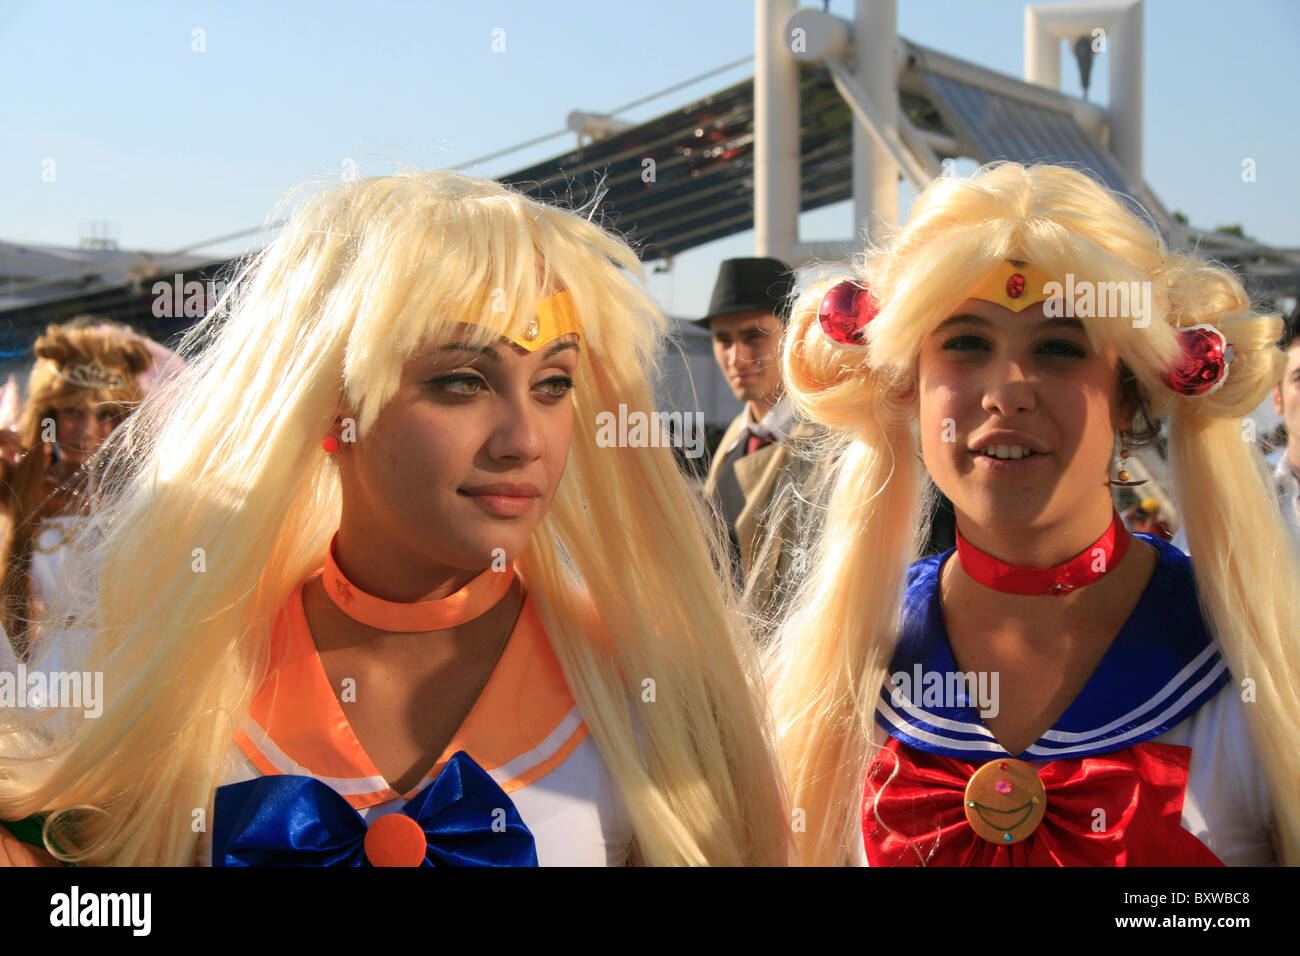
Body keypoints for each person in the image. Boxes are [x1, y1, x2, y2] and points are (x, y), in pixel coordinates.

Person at [0, 171, 790, 867]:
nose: (524, 441)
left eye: (553, 384)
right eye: (460, 381)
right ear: (328, 405)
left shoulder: (649, 697)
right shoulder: (163, 677)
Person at [767, 163, 1300, 866]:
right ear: (909, 387)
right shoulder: (832, 673)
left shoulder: (1253, 665)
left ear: (1128, 398)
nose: (1007, 391)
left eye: (1058, 347)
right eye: (965, 343)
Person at [0, 320, 160, 662]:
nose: (86, 430)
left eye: (105, 413)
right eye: (73, 411)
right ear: (48, 412)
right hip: (52, 671)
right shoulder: (22, 488)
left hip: (136, 661)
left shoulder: (152, 491)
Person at [696, 257, 822, 631]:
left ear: (794, 334)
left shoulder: (833, 443)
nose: (737, 358)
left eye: (754, 337)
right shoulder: (734, 440)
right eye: (723, 340)